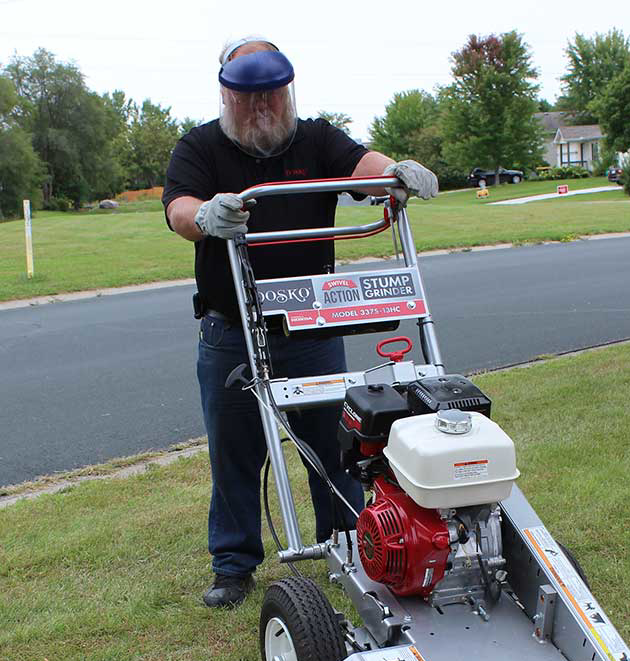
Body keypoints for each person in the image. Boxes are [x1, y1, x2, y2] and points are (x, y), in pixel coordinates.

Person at [163, 36, 438, 608]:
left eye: (272, 95)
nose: (262, 107)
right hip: (232, 329)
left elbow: (363, 168)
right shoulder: (200, 146)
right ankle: (234, 565)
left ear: (288, 92)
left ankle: (346, 543)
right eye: (249, 97)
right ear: (225, 93)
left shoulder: (317, 137)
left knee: (335, 445)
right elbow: (179, 209)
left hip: (312, 325)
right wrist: (208, 215)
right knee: (235, 451)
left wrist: (397, 172)